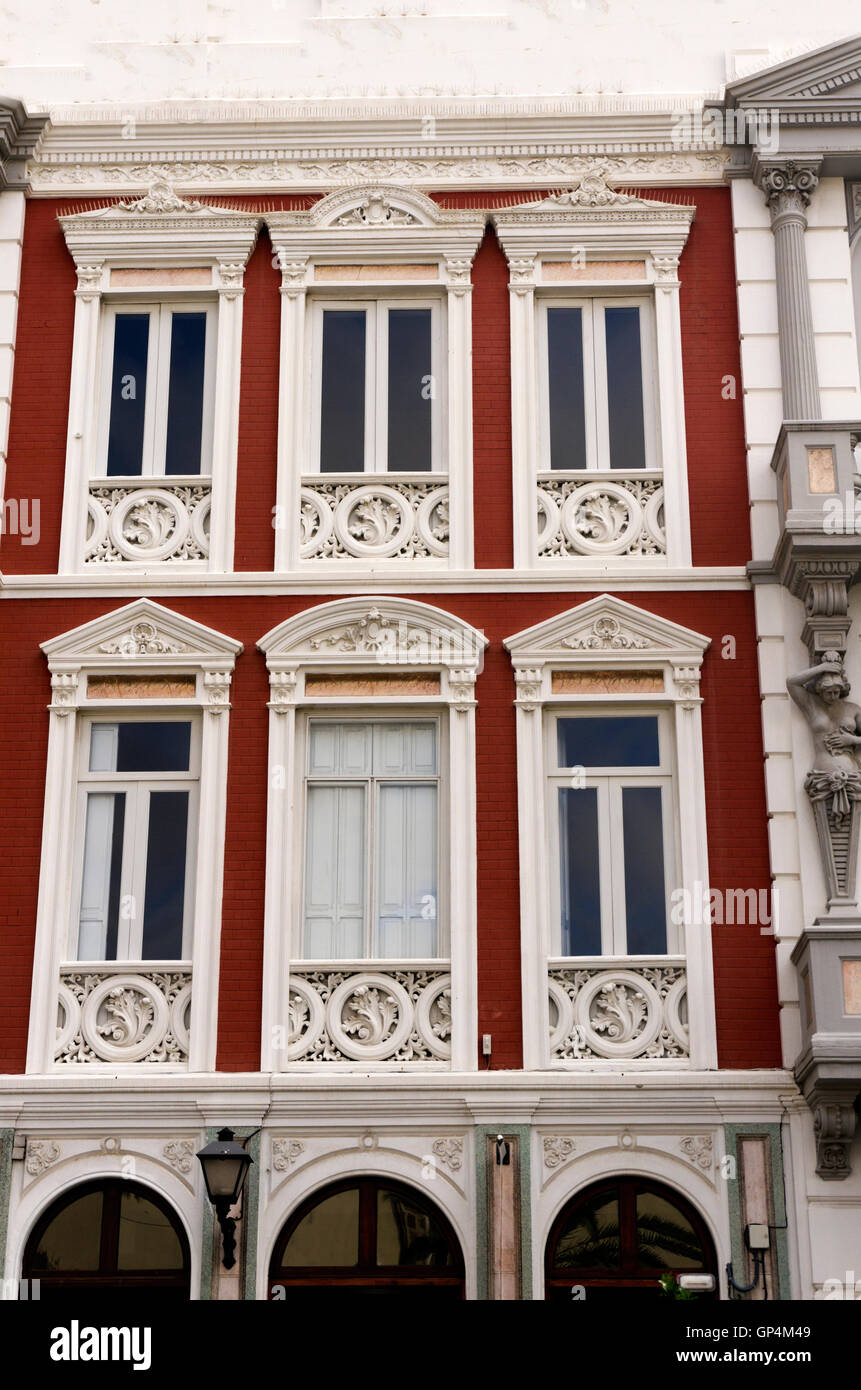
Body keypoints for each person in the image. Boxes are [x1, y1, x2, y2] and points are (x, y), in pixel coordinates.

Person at [787, 652, 861, 825]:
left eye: (836, 692)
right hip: (821, 778)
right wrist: (822, 668)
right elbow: (791, 682)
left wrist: (852, 740)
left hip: (852, 776)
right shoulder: (812, 705)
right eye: (828, 692)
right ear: (819, 689)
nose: (833, 696)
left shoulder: (852, 709)